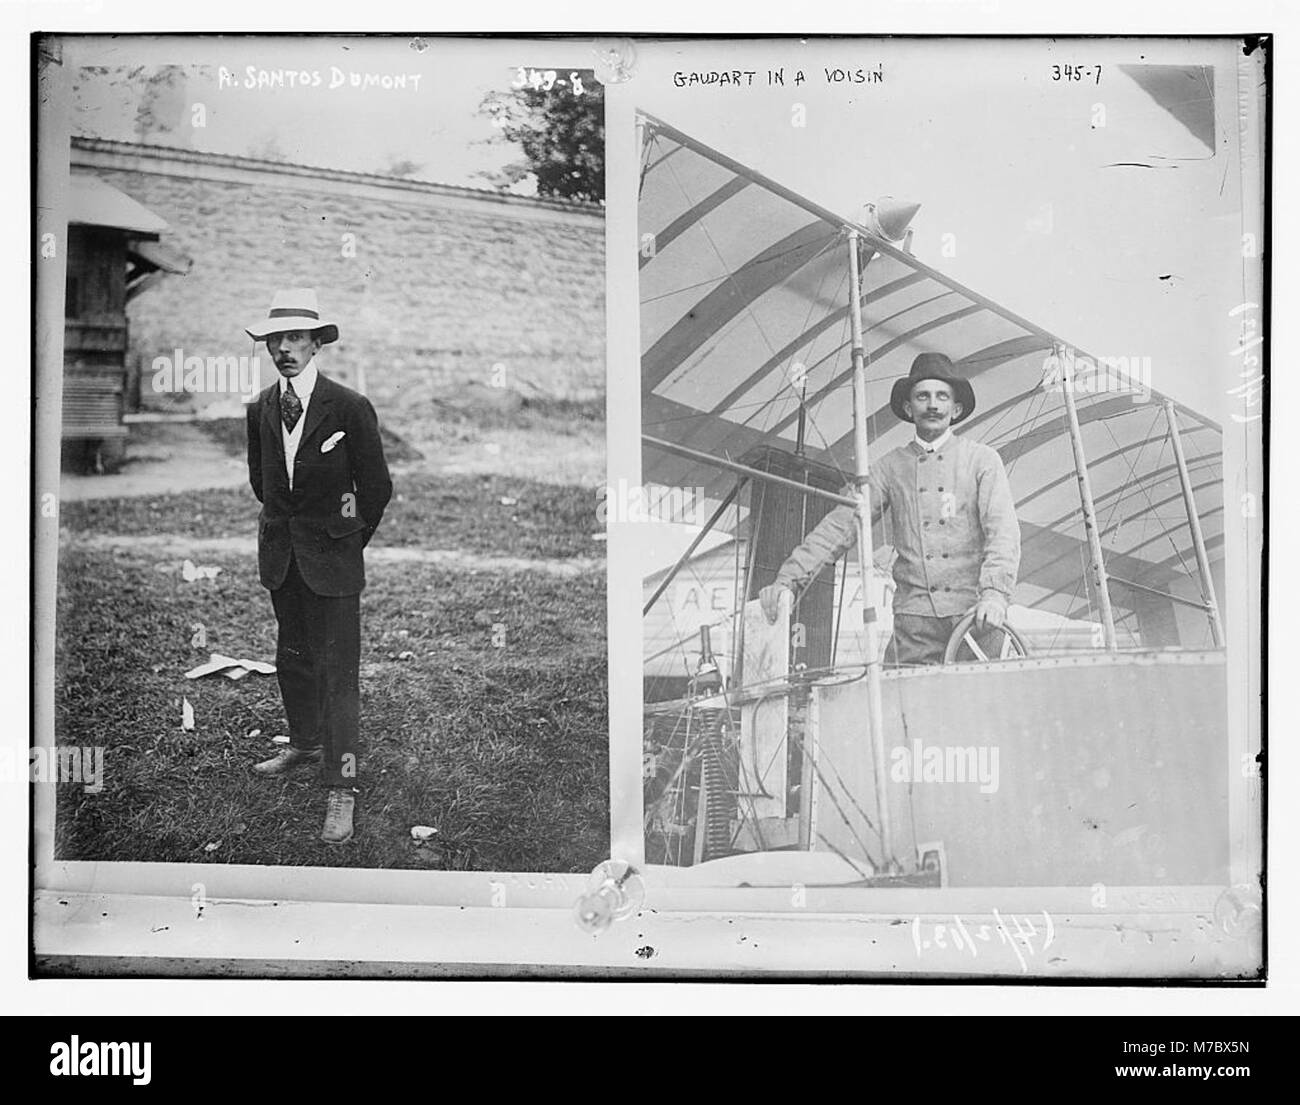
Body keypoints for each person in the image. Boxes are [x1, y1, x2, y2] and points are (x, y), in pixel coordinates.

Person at [244, 288, 392, 843]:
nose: (284, 349)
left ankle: (341, 785)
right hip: (282, 555)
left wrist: (346, 537)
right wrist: (287, 532)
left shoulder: (348, 406)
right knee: (293, 657)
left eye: (295, 339)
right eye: (275, 340)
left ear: (316, 345)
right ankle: (304, 744)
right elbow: (262, 482)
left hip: (334, 560)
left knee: (338, 673)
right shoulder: (260, 407)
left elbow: (374, 487)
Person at [759, 351, 1020, 667]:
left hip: (976, 617)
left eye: (942, 396)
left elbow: (1003, 533)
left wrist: (994, 595)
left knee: (983, 697)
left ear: (956, 408)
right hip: (914, 624)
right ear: (909, 408)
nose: (933, 405)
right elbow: (840, 525)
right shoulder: (888, 467)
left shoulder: (982, 460)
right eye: (922, 396)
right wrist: (787, 579)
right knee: (898, 696)